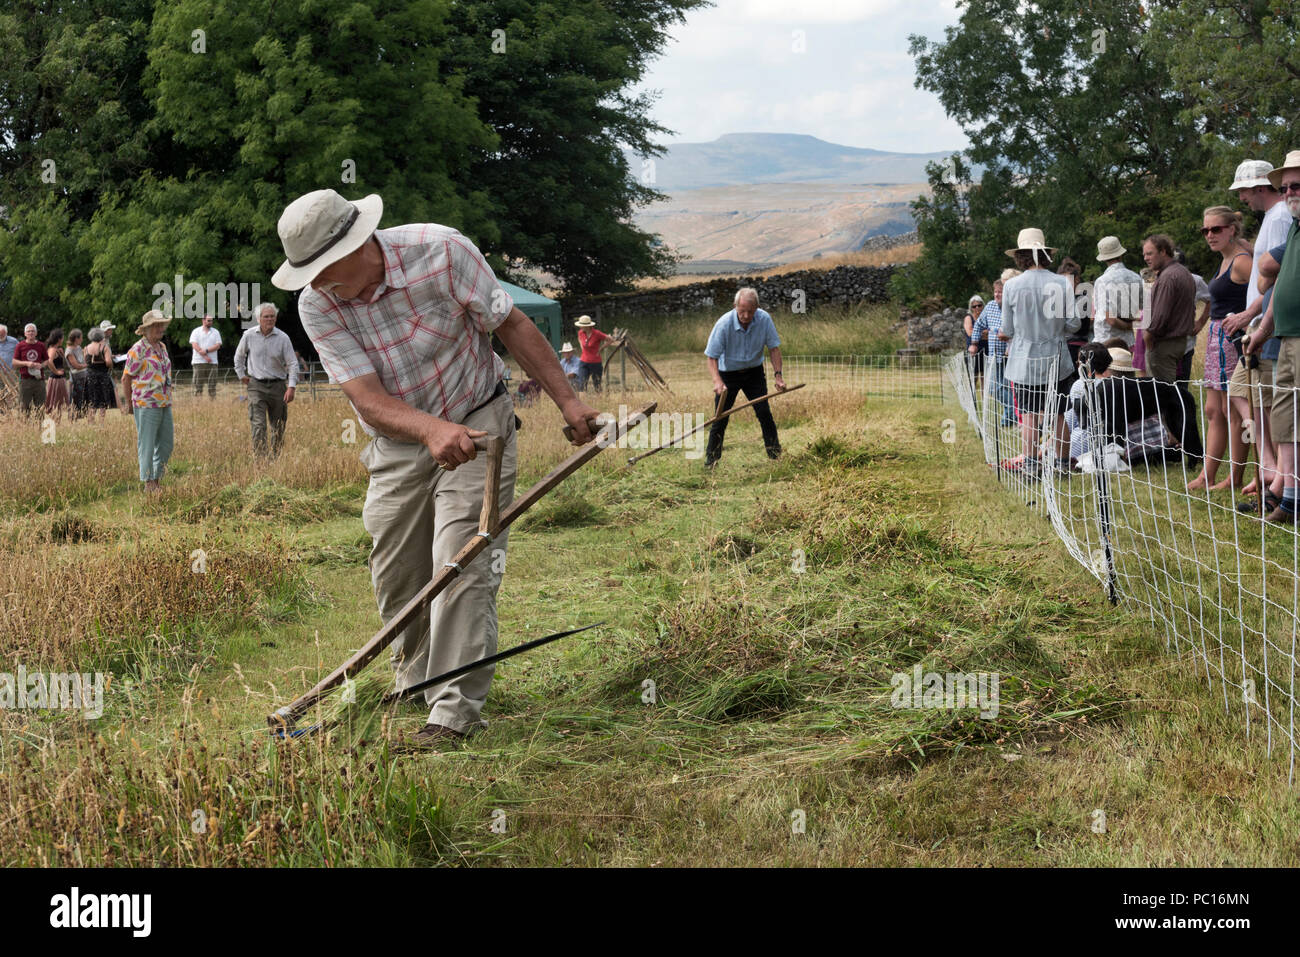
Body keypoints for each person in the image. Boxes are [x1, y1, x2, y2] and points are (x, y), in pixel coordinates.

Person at [273, 188, 601, 747]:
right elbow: (367, 399)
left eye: (324, 268)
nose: (317, 282)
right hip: (400, 442)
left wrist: (569, 404)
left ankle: (451, 716)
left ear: (359, 245)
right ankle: (418, 680)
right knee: (396, 570)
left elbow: (513, 325)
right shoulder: (317, 304)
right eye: (309, 273)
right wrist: (428, 430)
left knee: (463, 561)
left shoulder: (443, 251)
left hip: (478, 422)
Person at [1225, 158, 1292, 500]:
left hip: (1268, 323)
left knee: (1268, 402)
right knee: (1244, 394)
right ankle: (1271, 469)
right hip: (1258, 320)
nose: (1242, 200)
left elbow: (1276, 275)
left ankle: (1278, 475)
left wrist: (1251, 315)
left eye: (1244, 191)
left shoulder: (1281, 217)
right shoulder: (1273, 218)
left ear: (1259, 187)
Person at [1243, 150, 1300, 524]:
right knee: (1284, 415)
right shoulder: (1295, 225)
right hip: (1285, 334)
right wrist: (1263, 328)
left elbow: (1267, 271)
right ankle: (1291, 499)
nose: (1290, 192)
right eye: (1286, 187)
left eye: (1297, 185)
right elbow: (1277, 282)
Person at [999, 228, 1078, 475]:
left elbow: (1007, 329)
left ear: (1020, 256)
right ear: (1044, 253)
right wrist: (1056, 330)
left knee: (1030, 414)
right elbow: (1075, 324)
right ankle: (1063, 465)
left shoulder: (1011, 286)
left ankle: (1032, 466)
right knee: (1059, 414)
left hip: (1024, 360)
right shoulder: (1061, 283)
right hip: (1057, 357)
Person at [1188, 206, 1253, 491]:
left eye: (1216, 229)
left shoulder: (1241, 261)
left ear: (1232, 229)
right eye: (1205, 230)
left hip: (1234, 340)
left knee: (1234, 411)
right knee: (1214, 409)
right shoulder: (1226, 258)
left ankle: (1235, 477)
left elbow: (1269, 290)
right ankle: (1208, 474)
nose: (1210, 235)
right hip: (1216, 340)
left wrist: (1248, 320)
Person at [703, 287, 786, 467]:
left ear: (757, 307)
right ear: (735, 306)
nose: (746, 316)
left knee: (764, 413)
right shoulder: (724, 324)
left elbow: (774, 348)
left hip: (754, 373)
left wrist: (778, 376)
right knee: (720, 417)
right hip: (728, 375)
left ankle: (775, 456)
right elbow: (712, 356)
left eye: (750, 311)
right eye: (742, 311)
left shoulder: (764, 319)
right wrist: (717, 381)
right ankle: (711, 461)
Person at [234, 302, 298, 458]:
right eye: (266, 316)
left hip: (278, 386)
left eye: (272, 316)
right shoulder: (248, 335)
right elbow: (239, 357)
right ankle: (261, 459)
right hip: (256, 385)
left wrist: (291, 386)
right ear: (258, 318)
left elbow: (292, 363)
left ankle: (276, 457)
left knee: (278, 425)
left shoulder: (283, 338)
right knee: (258, 424)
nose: (269, 319)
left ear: (276, 319)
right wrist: (242, 375)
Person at [121, 310, 175, 493]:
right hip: (145, 402)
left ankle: (157, 477)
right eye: (156, 325)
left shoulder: (162, 347)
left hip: (164, 401)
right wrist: (128, 403)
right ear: (147, 329)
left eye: (162, 324)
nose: (161, 328)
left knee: (167, 443)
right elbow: (126, 378)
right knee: (147, 443)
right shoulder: (138, 349)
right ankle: (149, 483)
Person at [1141, 234, 1197, 383]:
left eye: (1150, 253)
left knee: (1161, 395)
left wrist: (1148, 336)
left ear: (1163, 251)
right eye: (1144, 254)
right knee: (1171, 392)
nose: (1146, 258)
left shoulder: (1167, 278)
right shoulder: (1183, 272)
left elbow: (1160, 316)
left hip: (1164, 344)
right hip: (1178, 342)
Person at [970, 274, 1017, 426]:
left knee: (1008, 388)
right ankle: (1011, 414)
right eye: (996, 291)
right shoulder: (990, 306)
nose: (997, 294)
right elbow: (978, 325)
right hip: (994, 356)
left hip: (1011, 356)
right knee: (992, 388)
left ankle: (1009, 418)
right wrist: (974, 343)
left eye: (1000, 291)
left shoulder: (1013, 307)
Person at [1091, 236, 1143, 350]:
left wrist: (1126, 326)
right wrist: (1130, 325)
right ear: (1121, 254)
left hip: (1107, 341)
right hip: (1128, 342)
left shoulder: (1102, 281)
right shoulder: (1136, 278)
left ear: (1104, 259)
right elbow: (1141, 311)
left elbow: (1110, 319)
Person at [1058, 257, 1090, 365]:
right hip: (1063, 346)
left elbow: (1078, 327)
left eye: (1067, 281)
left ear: (1076, 280)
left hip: (1077, 347)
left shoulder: (1083, 299)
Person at [12, 324, 48, 415]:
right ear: (25, 333)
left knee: (40, 407)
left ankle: (39, 426)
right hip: (25, 380)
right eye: (28, 331)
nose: (31, 333)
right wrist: (26, 363)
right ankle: (25, 427)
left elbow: (47, 360)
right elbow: (14, 362)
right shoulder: (20, 346)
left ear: (36, 333)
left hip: (39, 380)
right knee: (24, 407)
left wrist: (41, 365)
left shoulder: (41, 345)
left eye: (32, 331)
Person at [83, 325, 116, 417]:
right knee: (102, 401)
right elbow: (108, 362)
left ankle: (91, 421)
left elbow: (86, 361)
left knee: (91, 400)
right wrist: (111, 365)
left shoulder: (86, 348)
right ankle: (101, 422)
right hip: (102, 376)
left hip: (90, 376)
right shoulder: (104, 347)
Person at [573, 315, 610, 392]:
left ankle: (600, 400)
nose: (580, 327)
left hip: (595, 362)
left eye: (582, 326)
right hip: (583, 361)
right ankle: (582, 402)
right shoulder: (580, 333)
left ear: (588, 326)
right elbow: (579, 339)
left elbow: (610, 339)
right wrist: (582, 347)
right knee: (581, 384)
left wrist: (601, 348)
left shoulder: (597, 333)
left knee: (597, 384)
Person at [189, 314, 222, 398]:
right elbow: (194, 345)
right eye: (208, 320)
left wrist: (206, 351)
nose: (211, 322)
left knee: (212, 385)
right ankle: (198, 405)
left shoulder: (216, 332)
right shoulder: (196, 331)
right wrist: (205, 356)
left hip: (212, 362)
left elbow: (218, 345)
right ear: (203, 321)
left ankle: (212, 404)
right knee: (198, 385)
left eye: (211, 320)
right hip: (198, 362)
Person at [42, 328, 70, 419]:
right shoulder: (53, 349)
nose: (63, 339)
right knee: (56, 402)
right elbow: (49, 361)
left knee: (59, 401)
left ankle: (57, 420)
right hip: (56, 379)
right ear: (59, 339)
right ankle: (55, 421)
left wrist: (61, 353)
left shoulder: (56, 349)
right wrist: (56, 372)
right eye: (62, 338)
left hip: (59, 378)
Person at [963, 294, 986, 388]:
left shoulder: (986, 317)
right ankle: (972, 401)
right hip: (974, 351)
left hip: (985, 350)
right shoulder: (968, 318)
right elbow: (970, 333)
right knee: (973, 377)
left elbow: (991, 332)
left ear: (983, 306)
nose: (977, 308)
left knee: (985, 377)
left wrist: (977, 333)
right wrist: (985, 333)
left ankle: (984, 400)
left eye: (979, 305)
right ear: (971, 308)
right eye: (974, 306)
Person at [65, 329, 88, 418]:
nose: (82, 339)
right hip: (76, 377)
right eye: (81, 338)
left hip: (83, 376)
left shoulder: (78, 348)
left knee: (83, 397)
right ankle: (73, 416)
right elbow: (76, 365)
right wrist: (87, 365)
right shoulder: (69, 351)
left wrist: (85, 353)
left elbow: (82, 360)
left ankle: (81, 415)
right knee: (75, 398)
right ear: (76, 339)